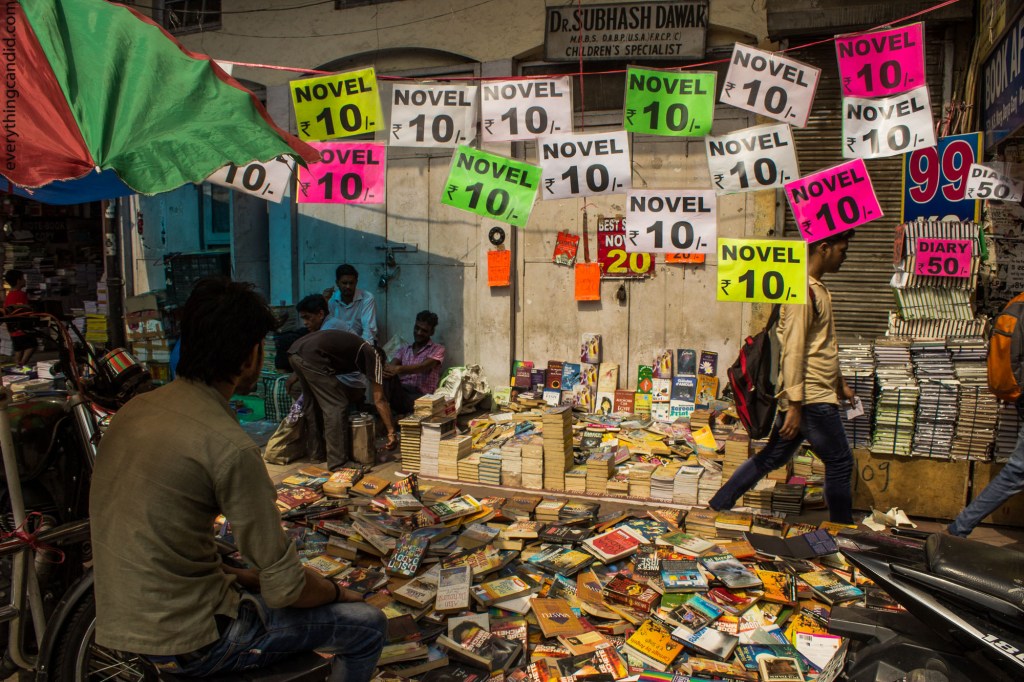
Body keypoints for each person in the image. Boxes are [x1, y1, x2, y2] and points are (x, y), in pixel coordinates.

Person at [90, 277, 386, 681]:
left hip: (118, 621)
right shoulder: (229, 445)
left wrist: (245, 575)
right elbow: (287, 589)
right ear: (250, 357)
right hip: (196, 639)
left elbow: (166, 541)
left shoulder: (133, 411)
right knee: (366, 624)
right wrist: (337, 591)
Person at [709, 231, 857, 524]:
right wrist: (795, 405)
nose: (846, 255)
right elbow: (793, 350)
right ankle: (842, 531)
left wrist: (839, 383)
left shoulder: (817, 289)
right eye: (842, 249)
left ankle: (718, 503)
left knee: (772, 458)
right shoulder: (802, 292)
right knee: (840, 462)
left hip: (811, 396)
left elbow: (821, 344)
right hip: (811, 399)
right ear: (824, 248)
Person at [289, 328, 399, 470]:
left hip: (296, 351)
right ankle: (339, 462)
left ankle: (317, 453)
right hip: (311, 355)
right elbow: (380, 399)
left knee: (313, 403)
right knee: (337, 404)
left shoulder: (357, 352)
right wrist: (391, 431)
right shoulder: (375, 357)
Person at [384, 310, 445, 414]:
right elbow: (391, 366)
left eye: (424, 330)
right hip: (402, 393)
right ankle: (385, 409)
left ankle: (389, 413)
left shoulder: (437, 349)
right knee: (386, 376)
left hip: (421, 396)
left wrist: (399, 369)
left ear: (432, 332)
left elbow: (423, 367)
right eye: (417, 328)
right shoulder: (403, 350)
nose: (419, 333)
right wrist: (387, 370)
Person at [324, 264, 377, 344]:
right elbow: (328, 329)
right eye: (344, 283)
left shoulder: (367, 298)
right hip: (339, 344)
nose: (348, 286)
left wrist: (362, 349)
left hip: (362, 343)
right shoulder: (331, 299)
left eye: (351, 283)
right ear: (337, 283)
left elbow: (369, 330)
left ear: (356, 282)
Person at [3, 269, 36, 367]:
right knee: (32, 345)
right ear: (18, 281)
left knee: (18, 348)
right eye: (23, 279)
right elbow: (26, 309)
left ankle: (17, 365)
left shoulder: (9, 296)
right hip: (22, 328)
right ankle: (22, 363)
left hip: (12, 329)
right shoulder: (21, 295)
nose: (25, 281)